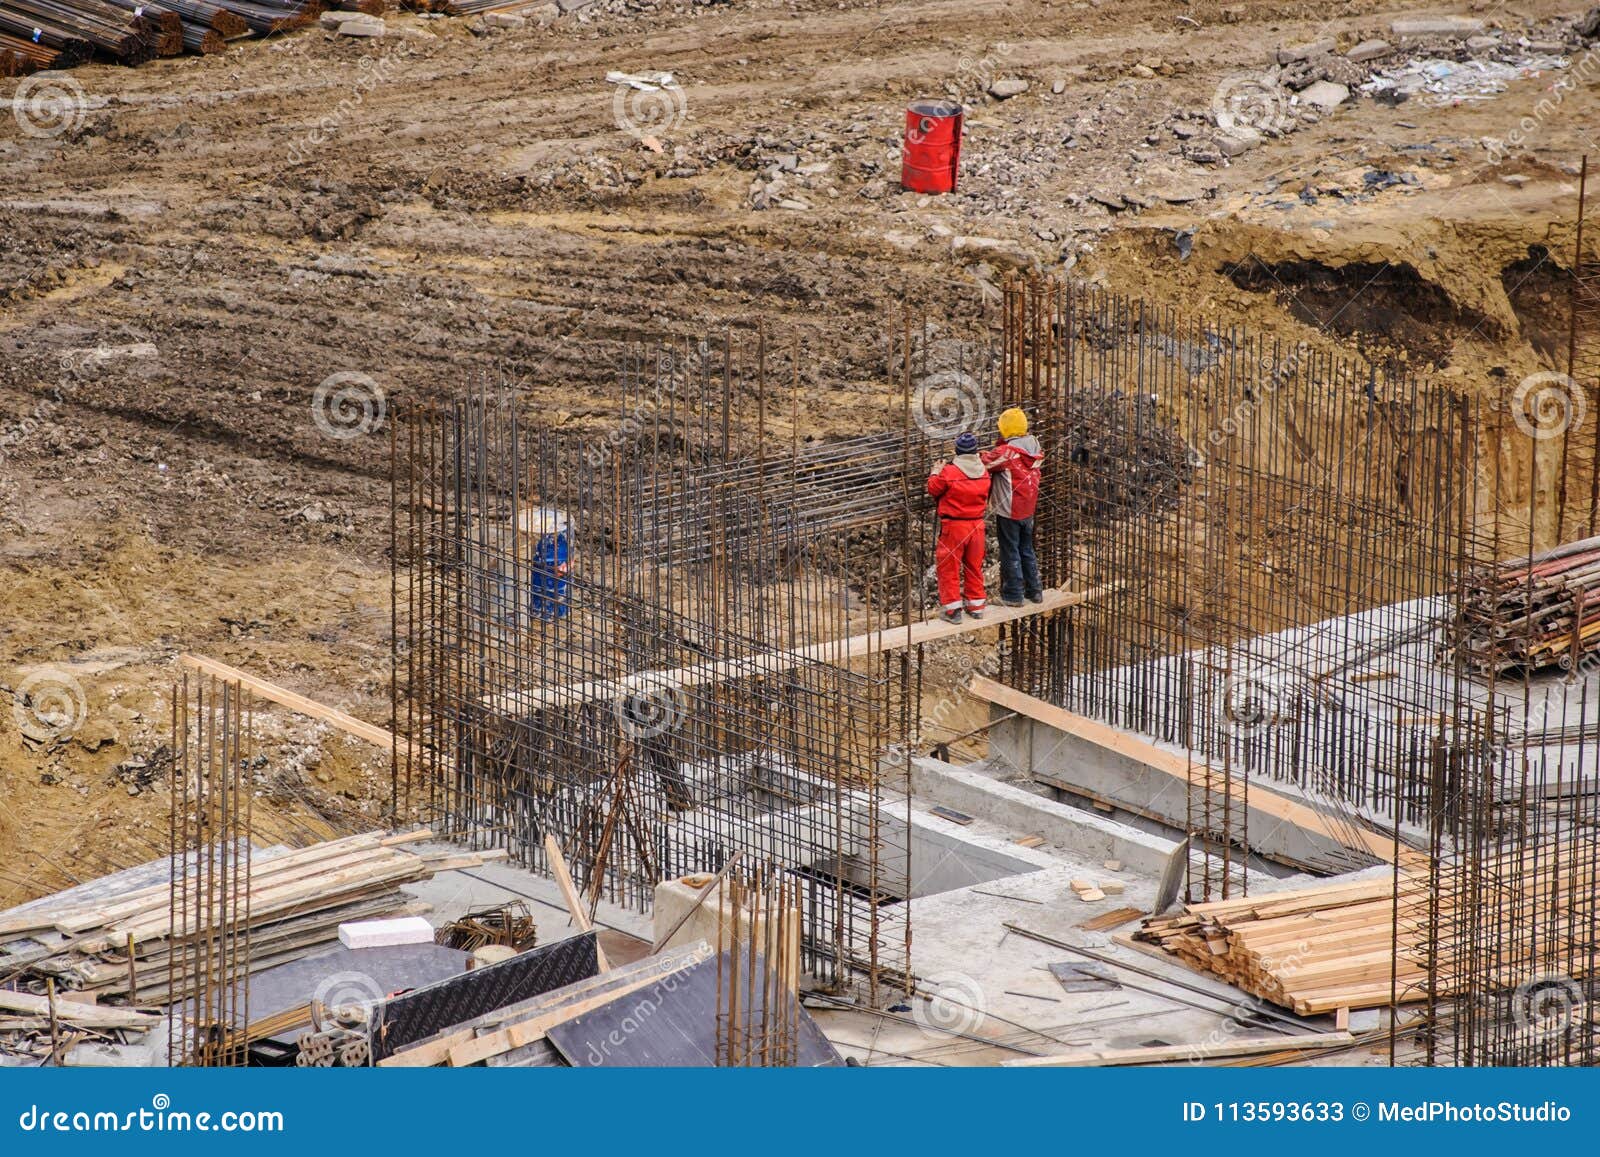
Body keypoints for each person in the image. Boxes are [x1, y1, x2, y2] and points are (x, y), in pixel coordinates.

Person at [927, 431, 992, 623]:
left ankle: (952, 611)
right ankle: (976, 606)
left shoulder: (950, 472)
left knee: (949, 567)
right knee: (974, 566)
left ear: (957, 451)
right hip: (977, 526)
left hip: (955, 527)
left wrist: (935, 472)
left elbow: (933, 488)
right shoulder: (984, 472)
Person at [983, 407, 1043, 607]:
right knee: (1026, 549)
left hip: (1010, 510)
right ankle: (1035, 591)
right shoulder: (1034, 446)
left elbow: (985, 464)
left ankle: (1013, 595)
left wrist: (975, 453)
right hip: (1028, 509)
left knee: (1010, 551)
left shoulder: (1007, 453)